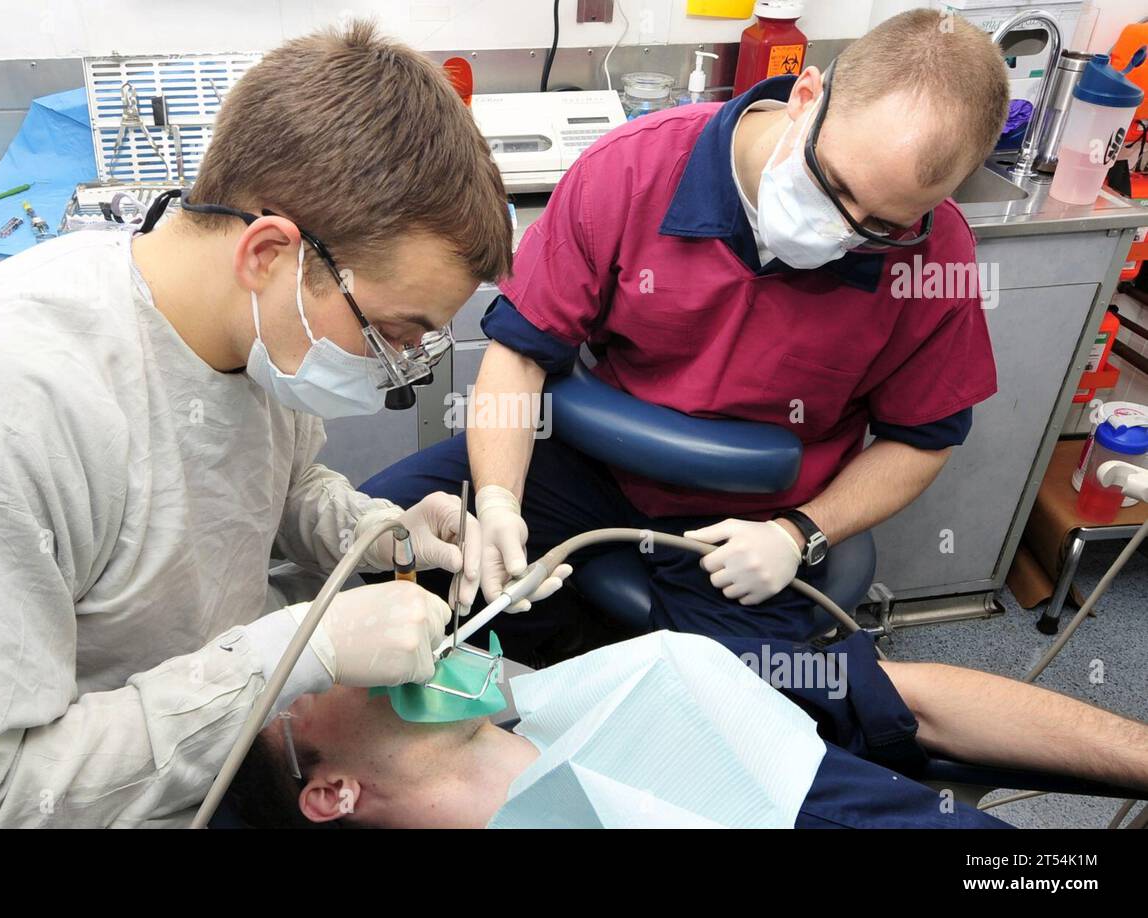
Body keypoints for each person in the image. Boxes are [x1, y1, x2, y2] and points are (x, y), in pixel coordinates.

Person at [0, 21, 510, 827]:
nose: (395, 370)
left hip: (202, 752)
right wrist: (291, 654)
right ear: (269, 253)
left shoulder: (252, 334)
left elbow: (275, 483)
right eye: (391, 334)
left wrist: (372, 533)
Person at [362, 10, 1012, 649]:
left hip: (755, 516)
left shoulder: (933, 253)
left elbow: (922, 441)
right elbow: (522, 353)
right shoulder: (633, 169)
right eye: (833, 185)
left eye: (882, 224)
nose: (842, 228)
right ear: (806, 95)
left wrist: (800, 535)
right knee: (377, 551)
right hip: (591, 463)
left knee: (737, 724)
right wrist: (501, 500)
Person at [229, 630, 1148, 829]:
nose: (351, 649)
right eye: (306, 683)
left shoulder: (644, 671)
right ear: (330, 789)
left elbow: (914, 698)